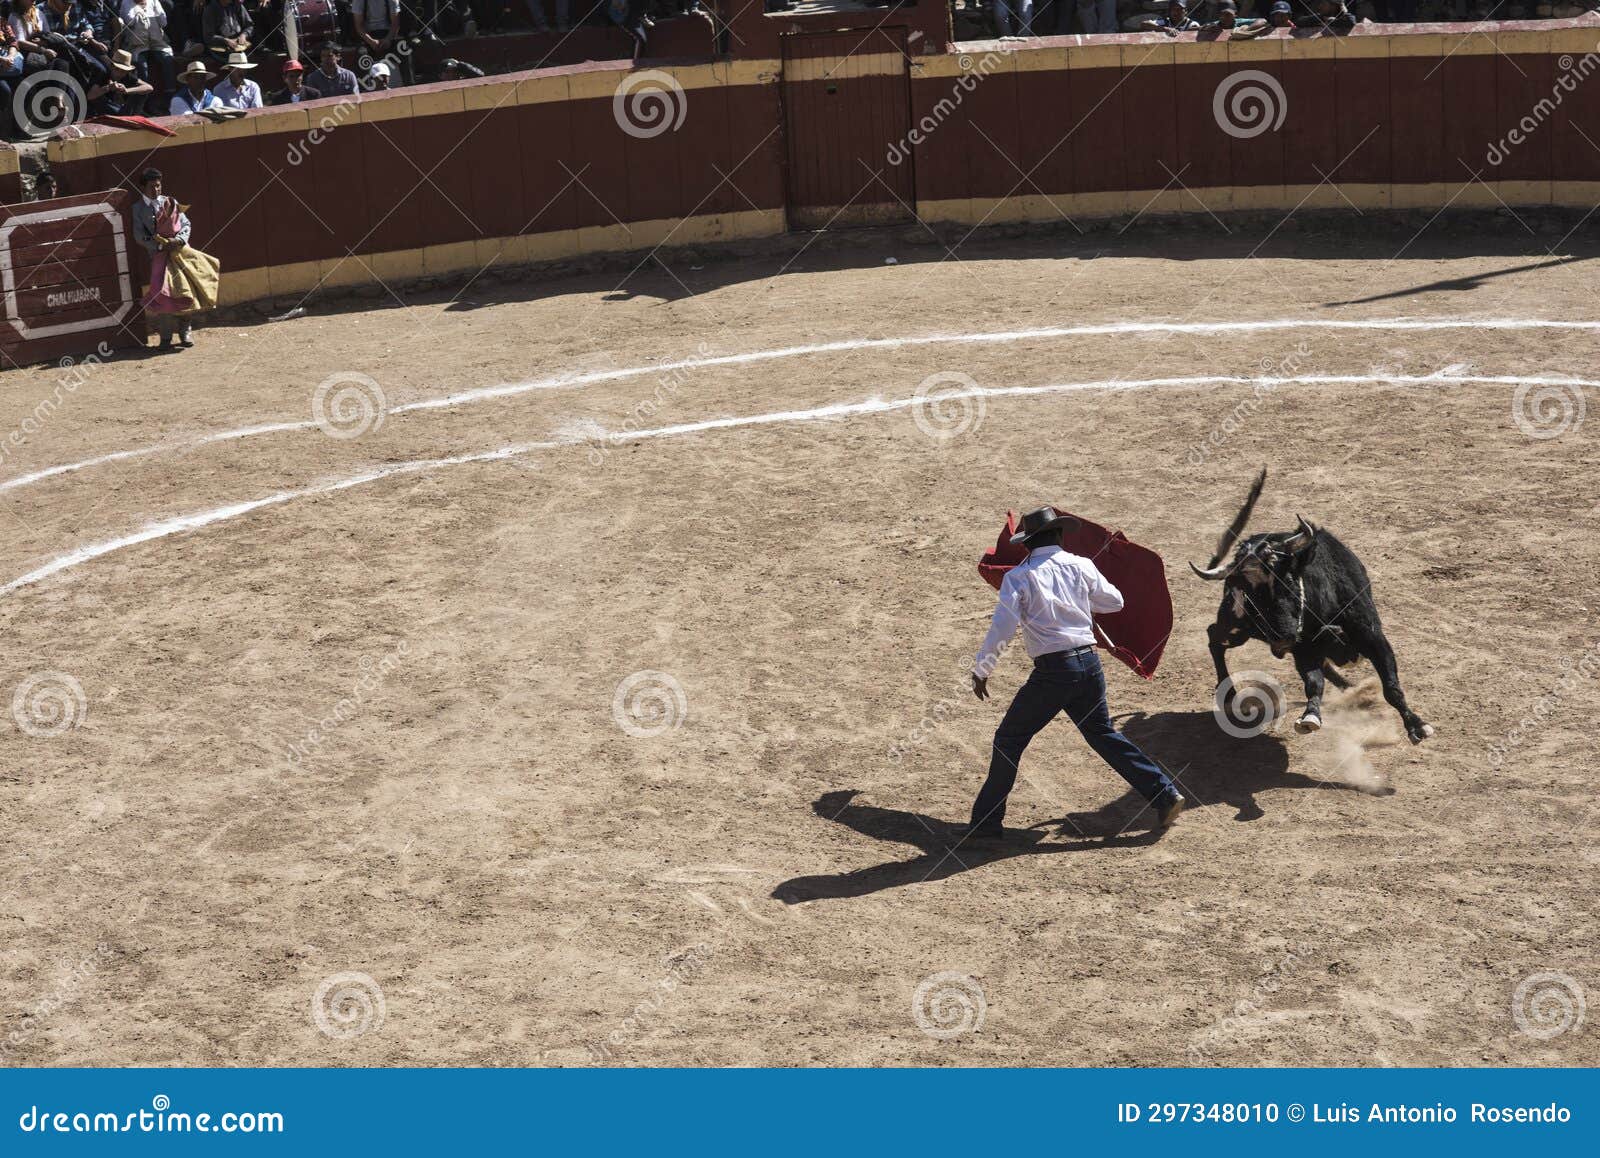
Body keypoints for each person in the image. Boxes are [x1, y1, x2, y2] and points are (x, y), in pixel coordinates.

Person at [967, 506, 1186, 841]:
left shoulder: (1018, 577)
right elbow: (1115, 602)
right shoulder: (1082, 565)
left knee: (1009, 740)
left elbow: (1003, 627)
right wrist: (1082, 600)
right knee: (1102, 733)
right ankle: (1164, 794)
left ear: (1027, 543)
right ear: (1058, 536)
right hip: (1088, 665)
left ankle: (985, 827)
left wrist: (983, 668)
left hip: (1054, 672)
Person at [118, 0, 176, 98]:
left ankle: (170, 95)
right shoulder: (126, 2)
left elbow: (164, 22)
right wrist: (139, 10)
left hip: (157, 43)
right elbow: (129, 21)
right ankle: (144, 99)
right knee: (141, 66)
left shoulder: (153, 1)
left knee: (168, 60)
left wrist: (155, 12)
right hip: (137, 45)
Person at [87, 48, 153, 113]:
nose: (120, 73)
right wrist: (108, 88)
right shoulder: (103, 73)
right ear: (112, 67)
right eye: (117, 69)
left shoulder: (127, 75)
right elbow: (90, 96)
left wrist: (126, 90)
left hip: (118, 105)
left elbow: (149, 87)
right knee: (99, 99)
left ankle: (130, 113)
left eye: (123, 71)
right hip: (104, 105)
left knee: (142, 92)